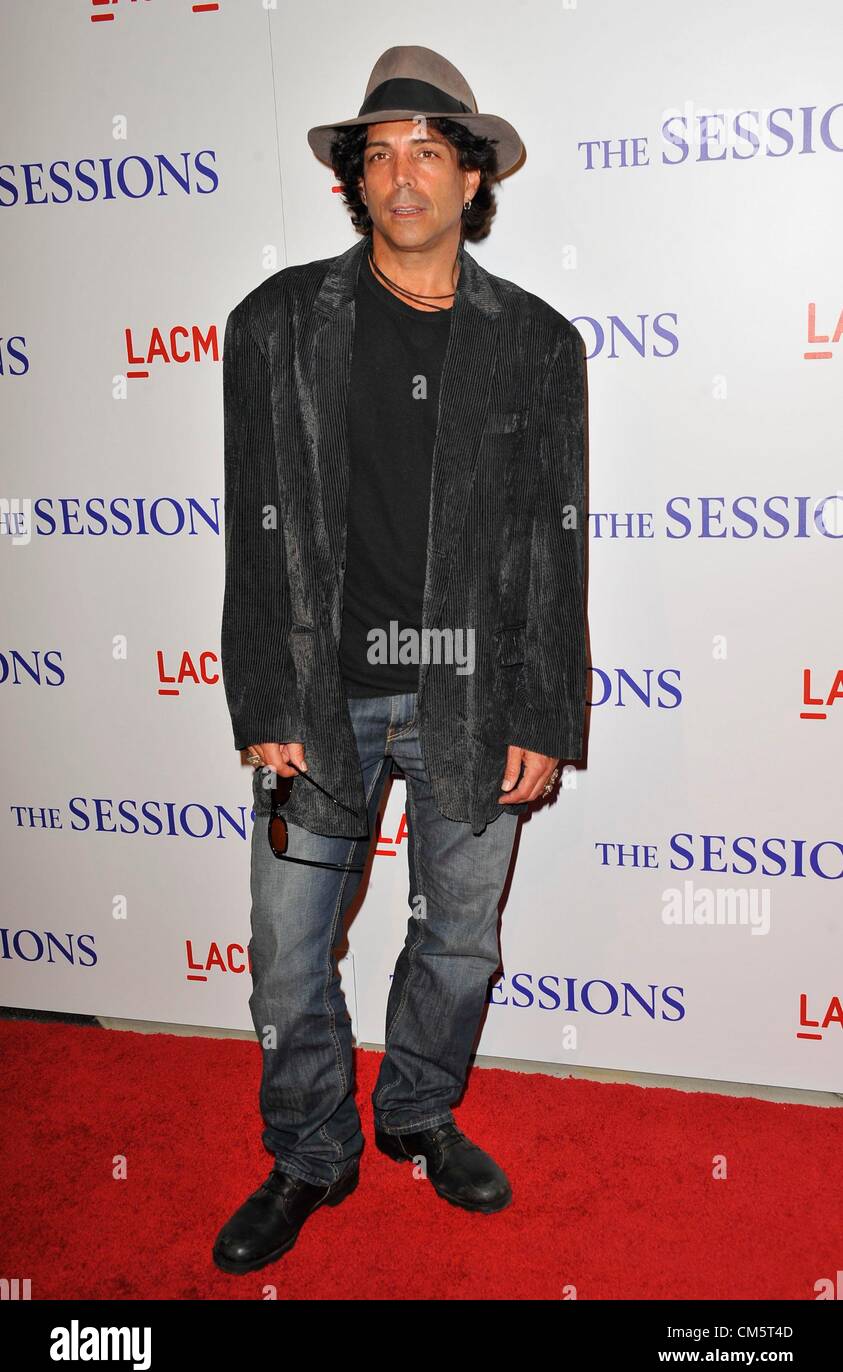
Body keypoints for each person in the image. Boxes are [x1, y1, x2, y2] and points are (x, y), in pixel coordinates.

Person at [213, 44, 588, 1275]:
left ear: (473, 177)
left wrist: (544, 705)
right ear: (354, 183)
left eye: (430, 148)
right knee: (283, 944)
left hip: (472, 696)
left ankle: (420, 1114)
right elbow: (252, 521)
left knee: (461, 937)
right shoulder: (273, 325)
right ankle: (311, 1147)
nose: (402, 173)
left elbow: (551, 542)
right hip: (320, 694)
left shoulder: (534, 343)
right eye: (378, 153)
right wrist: (264, 691)